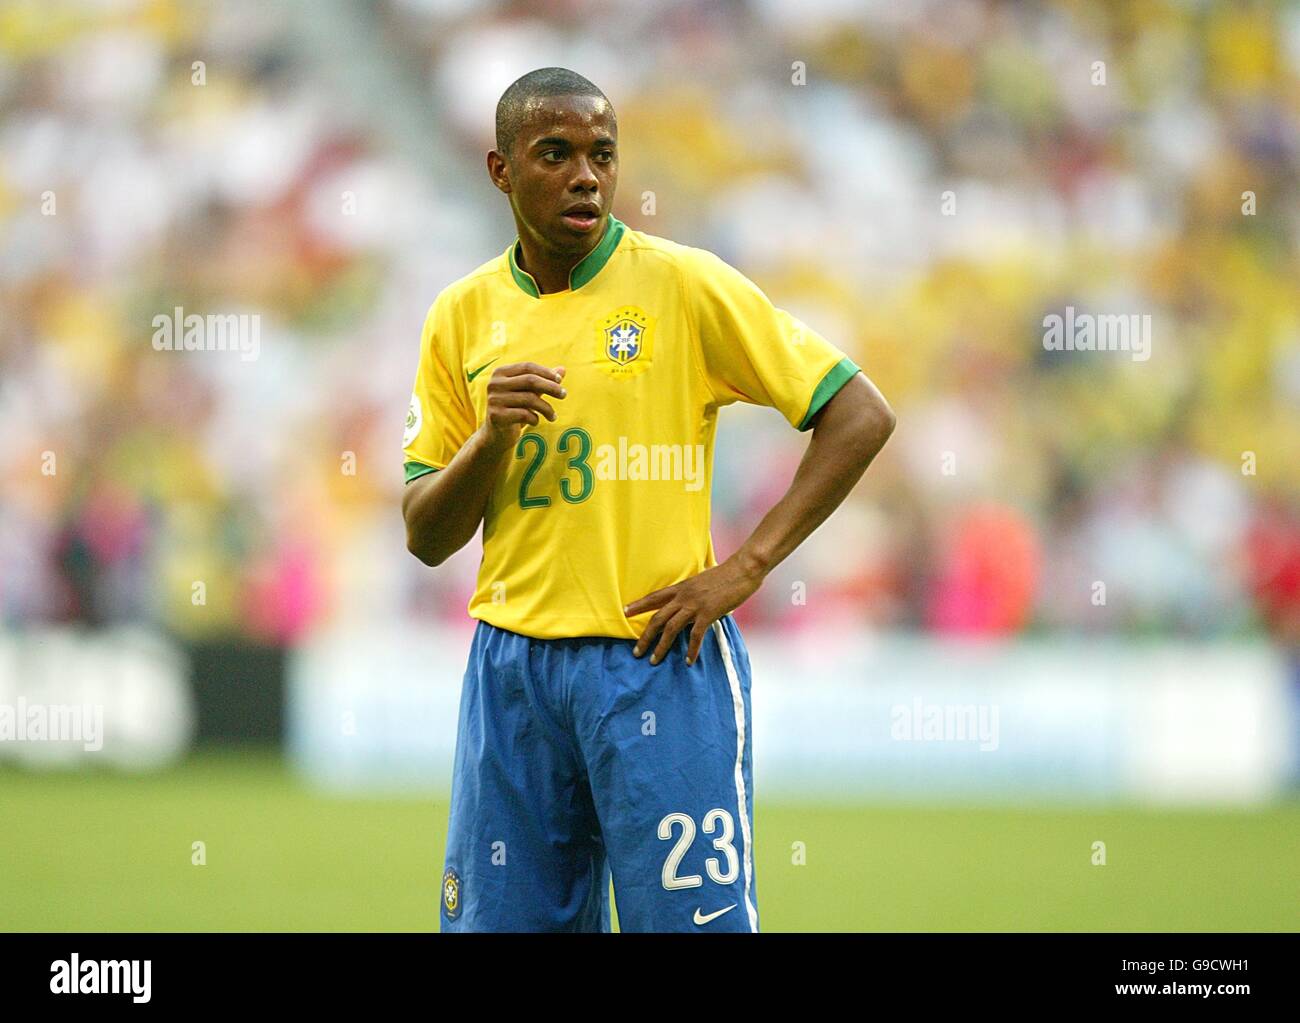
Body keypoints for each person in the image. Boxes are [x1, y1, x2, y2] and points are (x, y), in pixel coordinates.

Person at [401, 67, 896, 932]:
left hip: (655, 658)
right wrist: (489, 439)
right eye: (555, 154)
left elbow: (859, 413)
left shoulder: (682, 284)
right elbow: (425, 535)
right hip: (513, 673)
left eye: (602, 155)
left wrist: (745, 567)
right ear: (501, 170)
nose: (585, 176)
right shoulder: (460, 315)